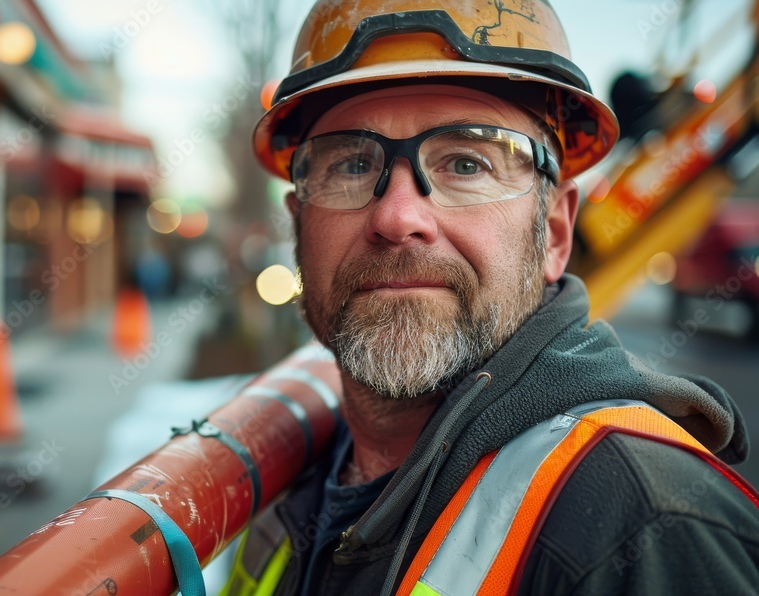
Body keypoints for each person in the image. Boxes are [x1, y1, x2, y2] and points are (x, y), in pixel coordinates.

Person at [222, 1, 759, 594]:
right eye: (351, 164)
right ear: (299, 223)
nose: (398, 216)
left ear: (555, 231)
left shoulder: (649, 528)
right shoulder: (288, 482)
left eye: (466, 162)